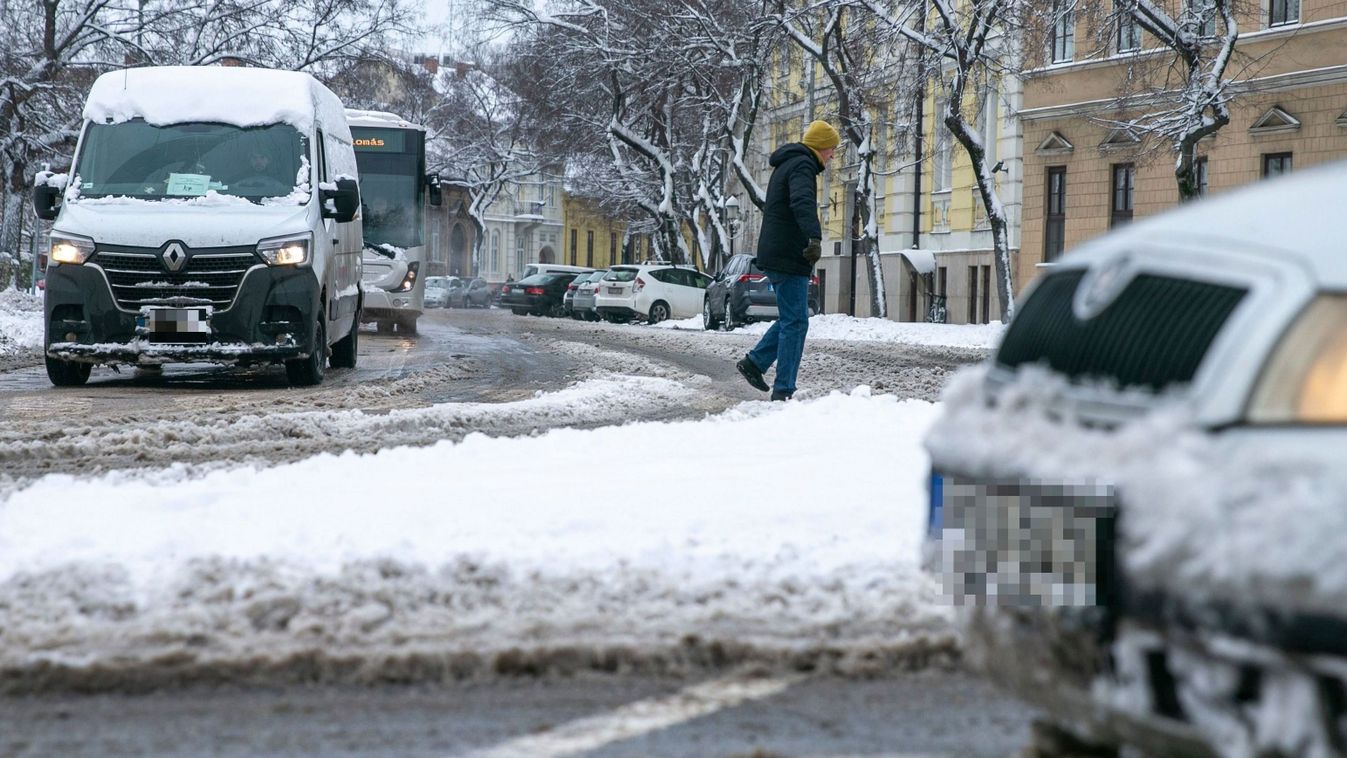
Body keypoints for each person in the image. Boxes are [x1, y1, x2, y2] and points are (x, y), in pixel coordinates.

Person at [735, 119, 839, 401]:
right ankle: (784, 390)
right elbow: (802, 202)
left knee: (792, 318)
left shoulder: (790, 163)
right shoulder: (803, 165)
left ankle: (754, 362)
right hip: (788, 254)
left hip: (779, 251)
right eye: (831, 149)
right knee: (796, 321)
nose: (832, 155)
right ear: (820, 147)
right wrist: (814, 237)